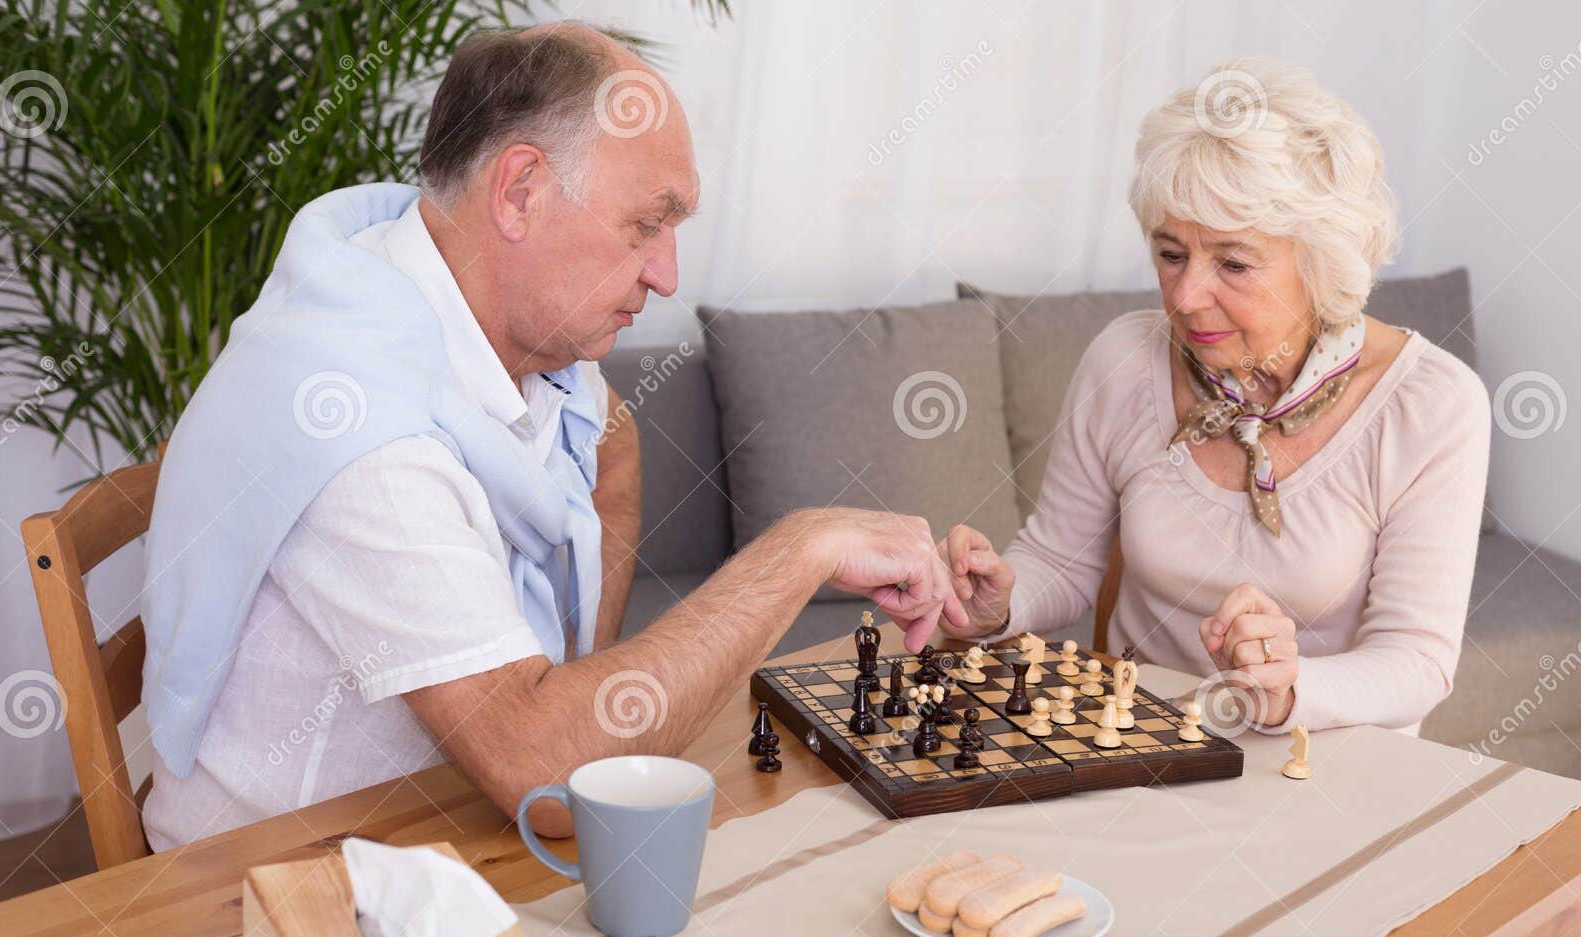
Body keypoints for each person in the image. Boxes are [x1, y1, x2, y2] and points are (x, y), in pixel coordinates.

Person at [139, 23, 965, 851]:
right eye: (645, 226)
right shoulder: (365, 438)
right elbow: (555, 785)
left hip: (446, 823)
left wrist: (572, 695)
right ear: (520, 191)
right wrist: (802, 549)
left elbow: (614, 446)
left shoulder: (484, 311)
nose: (667, 274)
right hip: (269, 886)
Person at [937, 59, 1489, 734]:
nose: (1186, 296)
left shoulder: (1431, 405)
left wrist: (1288, 690)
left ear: (1322, 261)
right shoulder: (1123, 358)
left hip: (1324, 771)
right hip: (1139, 747)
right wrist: (999, 602)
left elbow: (1416, 660)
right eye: (1171, 254)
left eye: (1233, 262)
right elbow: (1059, 559)